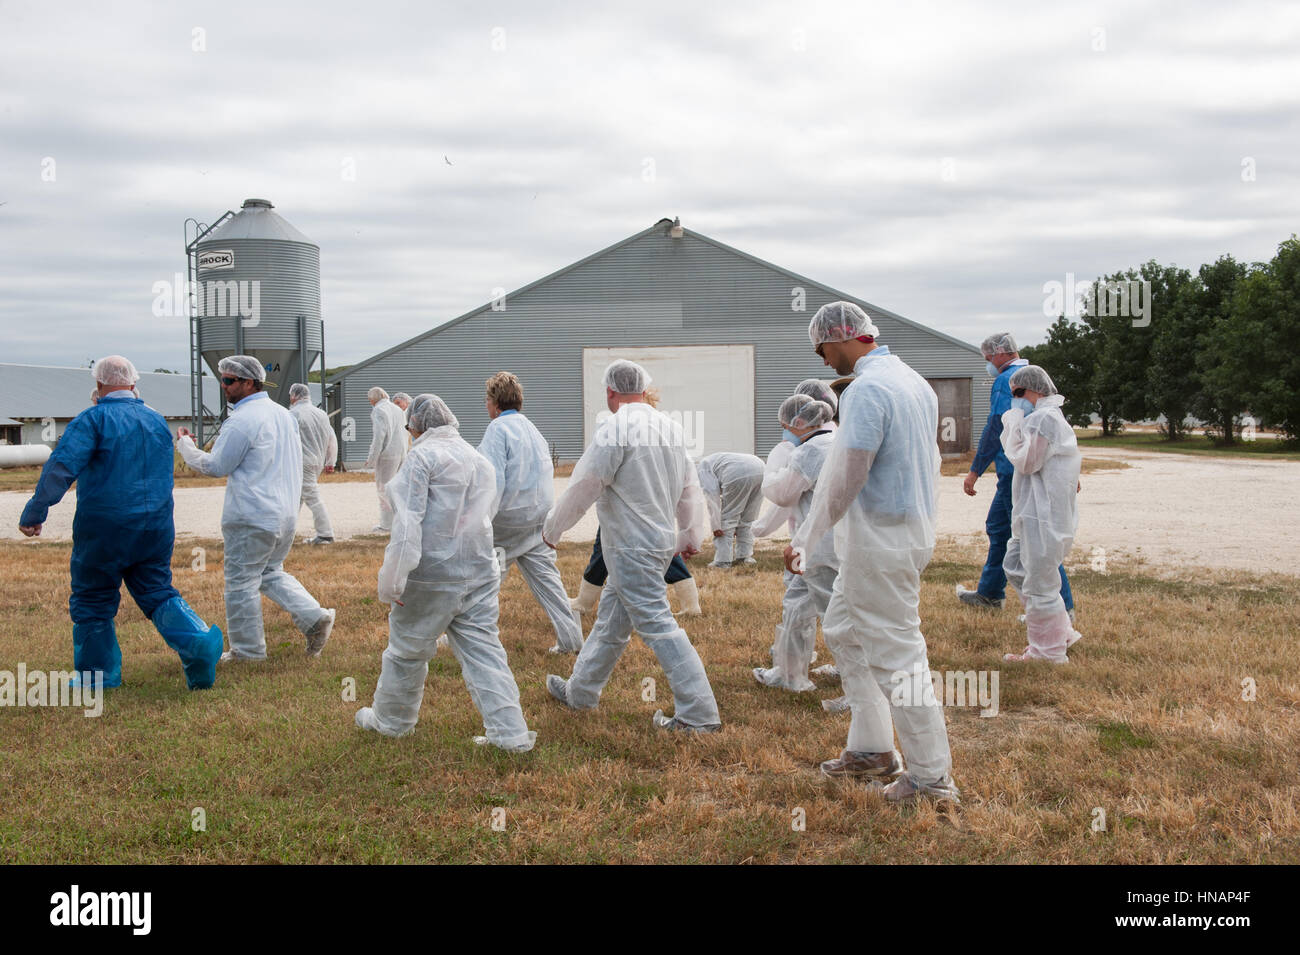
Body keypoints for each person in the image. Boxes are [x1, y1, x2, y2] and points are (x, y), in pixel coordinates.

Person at [789, 302, 959, 804]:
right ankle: (872, 749)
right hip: (902, 533)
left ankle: (930, 780)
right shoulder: (914, 382)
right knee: (843, 628)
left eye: (822, 350)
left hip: (879, 542)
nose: (823, 363)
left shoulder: (867, 389)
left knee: (898, 657)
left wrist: (807, 537)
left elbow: (849, 473)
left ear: (840, 337)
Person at [18, 356, 222, 690]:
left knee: (93, 596)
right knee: (156, 589)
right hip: (156, 525)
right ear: (133, 384)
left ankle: (97, 676)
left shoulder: (92, 420)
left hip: (105, 526)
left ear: (98, 386)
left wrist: (35, 511)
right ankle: (197, 640)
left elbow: (61, 467)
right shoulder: (157, 421)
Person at [543, 359, 721, 732]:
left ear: (610, 392)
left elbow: (586, 484)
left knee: (659, 625)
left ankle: (699, 714)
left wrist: (553, 528)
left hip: (629, 547)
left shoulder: (615, 427)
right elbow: (690, 490)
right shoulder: (670, 427)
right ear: (643, 389)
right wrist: (689, 536)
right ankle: (580, 692)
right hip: (658, 544)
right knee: (610, 623)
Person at [355, 394, 536, 751]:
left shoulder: (421, 458)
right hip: (479, 571)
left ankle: (393, 720)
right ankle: (510, 733)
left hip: (432, 574)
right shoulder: (477, 458)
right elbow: (485, 514)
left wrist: (391, 582)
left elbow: (407, 527)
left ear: (416, 426)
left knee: (406, 650)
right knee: (485, 650)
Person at [177, 355, 335, 662]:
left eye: (229, 381)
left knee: (240, 582)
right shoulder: (282, 415)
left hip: (251, 514)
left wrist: (186, 448)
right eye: (222, 379)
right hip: (285, 514)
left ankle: (248, 652)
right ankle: (314, 617)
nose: (224, 386)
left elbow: (217, 465)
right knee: (269, 572)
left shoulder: (243, 419)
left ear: (249, 382)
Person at [957, 333, 1074, 620]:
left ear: (999, 353)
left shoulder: (1007, 381)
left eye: (987, 358)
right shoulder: (1029, 381)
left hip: (1014, 474)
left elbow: (995, 428)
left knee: (1034, 540)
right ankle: (990, 592)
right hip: (1010, 475)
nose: (987, 364)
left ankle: (1061, 608)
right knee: (999, 529)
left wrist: (975, 469)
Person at [570, 386, 702, 618]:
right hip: (650, 511)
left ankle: (584, 602)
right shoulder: (665, 434)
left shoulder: (625, 431)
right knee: (657, 553)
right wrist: (689, 533)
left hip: (628, 512)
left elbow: (595, 475)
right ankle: (690, 603)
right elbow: (687, 484)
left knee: (608, 551)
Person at [477, 372, 583, 654]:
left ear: (494, 402)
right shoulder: (531, 428)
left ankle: (472, 635)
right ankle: (571, 639)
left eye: (486, 400)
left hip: (508, 522)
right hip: (538, 520)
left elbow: (493, 480)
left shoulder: (497, 430)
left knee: (483, 581)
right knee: (548, 581)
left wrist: (482, 521)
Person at [753, 394, 838, 692]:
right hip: (829, 543)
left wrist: (776, 461)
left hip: (818, 547)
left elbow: (782, 494)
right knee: (800, 604)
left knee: (832, 613)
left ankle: (857, 685)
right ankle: (789, 673)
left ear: (800, 422)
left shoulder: (810, 451)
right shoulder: (836, 441)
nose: (785, 431)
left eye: (784, 425)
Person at [1000, 366, 1082, 662]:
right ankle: (1061, 632)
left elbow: (1026, 462)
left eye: (1019, 393)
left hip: (1043, 514)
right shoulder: (1043, 418)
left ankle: (1048, 652)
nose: (1016, 400)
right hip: (1034, 510)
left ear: (1036, 390)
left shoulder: (1044, 418)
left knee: (1040, 582)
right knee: (1015, 564)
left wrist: (1012, 425)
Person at [697, 452, 765, 567]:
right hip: (761, 468)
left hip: (736, 472)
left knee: (727, 520)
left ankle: (722, 562)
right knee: (748, 519)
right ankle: (744, 557)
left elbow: (712, 497)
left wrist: (716, 525)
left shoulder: (702, 468)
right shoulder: (715, 461)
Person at [289, 383, 337, 545]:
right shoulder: (321, 414)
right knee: (297, 497)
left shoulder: (293, 414)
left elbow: (287, 440)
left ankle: (325, 534)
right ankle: (287, 531)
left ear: (294, 396)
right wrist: (331, 461)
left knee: (311, 497)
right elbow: (332, 438)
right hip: (317, 460)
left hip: (301, 462)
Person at [365, 386, 407, 532]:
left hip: (388, 455)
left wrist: (372, 458)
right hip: (401, 452)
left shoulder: (378, 410)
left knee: (384, 489)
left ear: (373, 399)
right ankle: (400, 520)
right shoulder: (396, 409)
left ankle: (387, 525)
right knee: (398, 488)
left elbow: (379, 436)